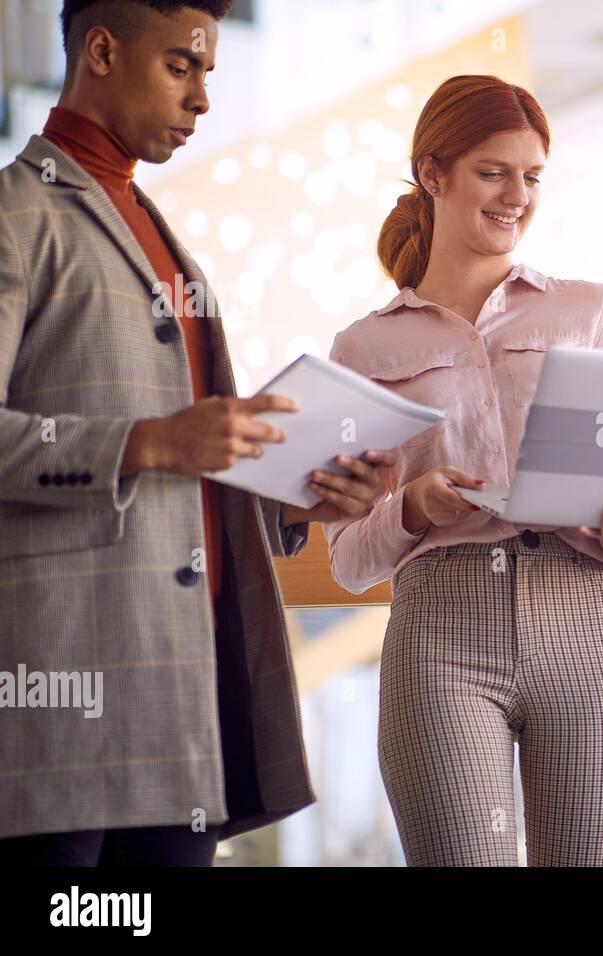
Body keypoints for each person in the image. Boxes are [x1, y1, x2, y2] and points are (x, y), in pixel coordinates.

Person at [0, 0, 394, 866]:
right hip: (61, 698)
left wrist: (302, 499)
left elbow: (196, 463)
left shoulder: (168, 242)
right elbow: (158, 442)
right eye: (181, 66)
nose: (202, 99)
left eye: (208, 72)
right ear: (101, 50)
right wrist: (149, 443)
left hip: (184, 696)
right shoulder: (13, 214)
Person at [324, 74, 603, 866]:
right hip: (440, 637)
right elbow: (347, 559)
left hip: (588, 623)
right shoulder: (363, 349)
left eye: (533, 176)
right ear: (433, 174)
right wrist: (413, 506)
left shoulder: (588, 310)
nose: (517, 195)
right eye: (494, 171)